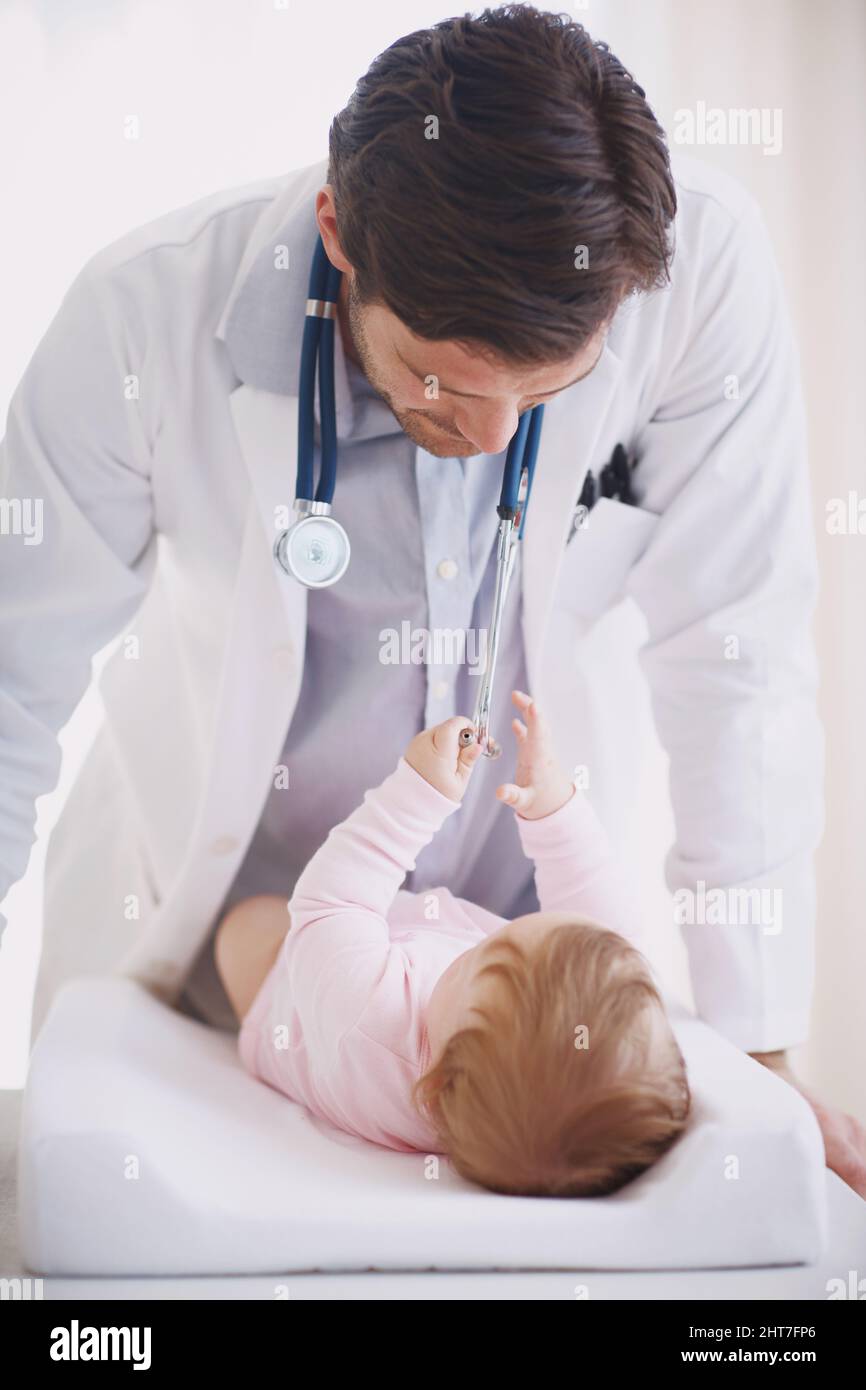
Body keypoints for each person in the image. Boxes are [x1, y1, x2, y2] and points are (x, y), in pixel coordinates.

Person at [1, 7, 863, 1194]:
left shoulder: (695, 276)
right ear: (338, 235)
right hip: (232, 936)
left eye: (546, 394)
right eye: (442, 383)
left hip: (524, 985)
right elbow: (10, 689)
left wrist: (759, 1051)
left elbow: (739, 653)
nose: (492, 437)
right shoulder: (139, 318)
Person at [215, 691, 691, 1195]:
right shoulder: (503, 1081)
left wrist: (416, 796)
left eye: (472, 959)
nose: (473, 941)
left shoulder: (365, 1017)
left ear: (436, 1083)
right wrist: (552, 808)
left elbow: (332, 904)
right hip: (392, 956)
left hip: (292, 1003)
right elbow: (604, 926)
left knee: (242, 930)